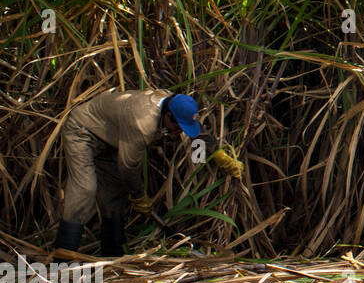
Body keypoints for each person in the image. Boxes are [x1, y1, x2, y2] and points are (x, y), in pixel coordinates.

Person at [54, 90, 243, 255]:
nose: (179, 132)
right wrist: (139, 196)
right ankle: (62, 259)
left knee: (114, 197)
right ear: (167, 117)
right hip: (83, 131)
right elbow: (128, 168)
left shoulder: (175, 103)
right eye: (177, 127)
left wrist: (217, 153)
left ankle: (112, 258)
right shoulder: (144, 126)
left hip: (110, 138)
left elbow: (195, 132)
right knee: (85, 190)